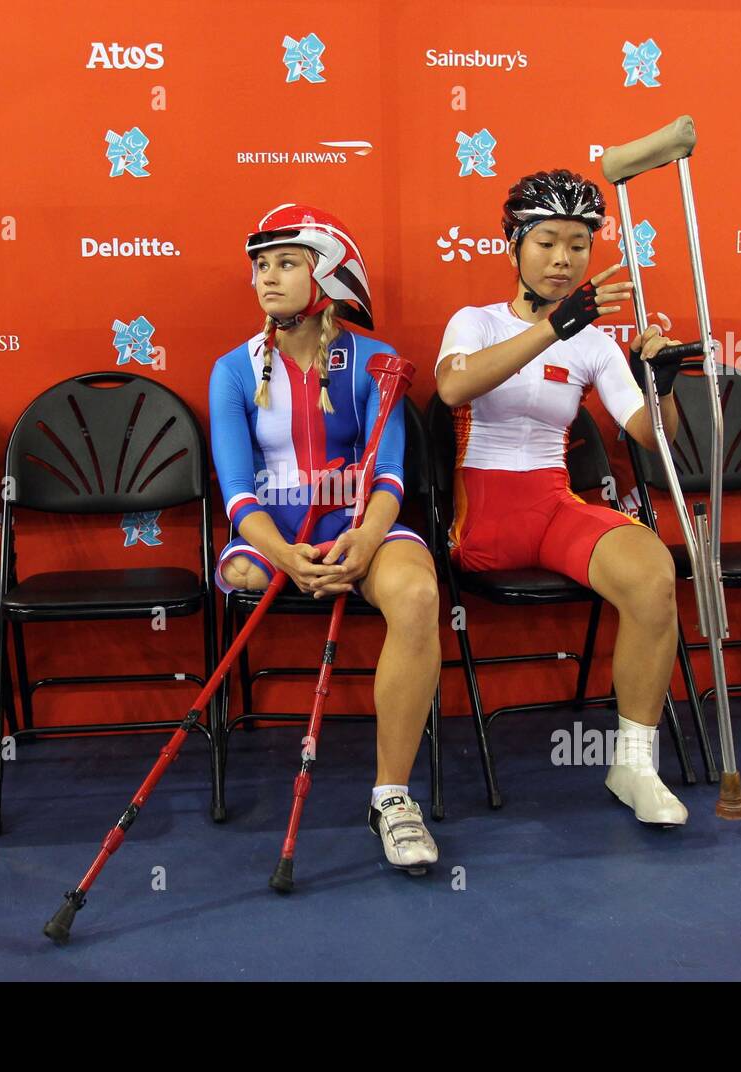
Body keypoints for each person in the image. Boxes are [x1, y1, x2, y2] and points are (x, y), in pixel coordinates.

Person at [434, 169, 690, 826]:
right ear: (514, 245)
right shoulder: (476, 322)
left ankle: (633, 763)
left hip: (552, 508)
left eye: (578, 244)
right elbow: (453, 391)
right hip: (483, 522)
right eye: (546, 241)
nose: (563, 259)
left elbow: (651, 438)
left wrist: (660, 385)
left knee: (654, 574)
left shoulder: (596, 343)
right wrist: (554, 328)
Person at [209, 203, 442, 871]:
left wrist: (367, 542)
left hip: (359, 526)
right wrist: (288, 557)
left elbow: (391, 472)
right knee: (251, 575)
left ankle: (392, 798)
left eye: (286, 263)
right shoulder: (232, 370)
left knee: (420, 597)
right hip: (274, 536)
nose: (267, 278)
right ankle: (292, 569)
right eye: (260, 265)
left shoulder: (377, 361)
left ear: (331, 274)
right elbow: (238, 494)